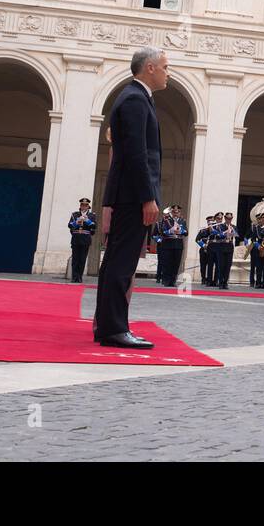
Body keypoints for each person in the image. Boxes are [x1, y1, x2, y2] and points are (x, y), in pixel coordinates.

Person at [94, 46, 168, 349]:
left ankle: (108, 326)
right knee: (121, 264)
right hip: (132, 195)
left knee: (115, 263)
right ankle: (114, 329)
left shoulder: (134, 97)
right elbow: (138, 155)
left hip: (127, 193)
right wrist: (148, 198)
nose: (168, 72)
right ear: (149, 68)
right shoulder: (136, 99)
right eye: (165, 66)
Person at [155, 205, 187, 288]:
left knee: (176, 264)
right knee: (167, 263)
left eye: (178, 212)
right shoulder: (166, 220)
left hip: (178, 244)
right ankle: (166, 280)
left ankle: (173, 281)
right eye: (174, 212)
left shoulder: (182, 221)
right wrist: (170, 230)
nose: (176, 214)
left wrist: (181, 231)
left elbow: (186, 232)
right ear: (171, 212)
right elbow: (162, 231)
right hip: (168, 243)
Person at [68, 198, 96, 283]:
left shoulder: (92, 215)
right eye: (82, 205)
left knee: (82, 259)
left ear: (88, 206)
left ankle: (79, 277)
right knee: (75, 259)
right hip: (76, 238)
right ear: (80, 206)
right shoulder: (75, 214)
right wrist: (77, 222)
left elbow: (94, 226)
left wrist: (87, 221)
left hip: (85, 239)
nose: (84, 206)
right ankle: (74, 277)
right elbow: (70, 225)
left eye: (86, 205)